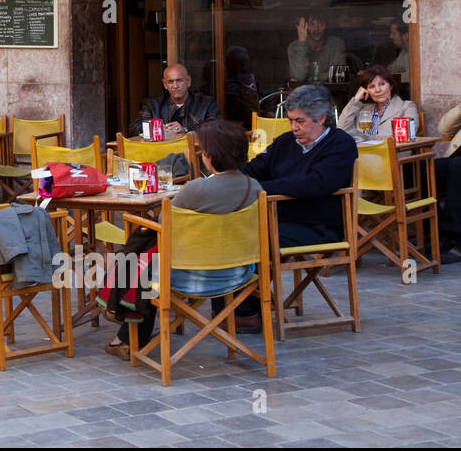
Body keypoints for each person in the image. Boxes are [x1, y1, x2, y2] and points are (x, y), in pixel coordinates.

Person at [106, 120, 265, 358]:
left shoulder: (196, 189)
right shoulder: (255, 188)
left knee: (143, 255)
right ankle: (125, 336)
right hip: (239, 273)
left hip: (190, 277)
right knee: (148, 256)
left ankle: (129, 337)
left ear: (209, 156)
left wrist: (148, 218)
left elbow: (163, 224)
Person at [242, 85, 357, 247]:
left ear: (322, 118)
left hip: (319, 225)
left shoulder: (341, 144)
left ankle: (260, 273)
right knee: (229, 228)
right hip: (276, 217)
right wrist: (231, 181)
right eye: (291, 120)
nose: (294, 127)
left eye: (300, 121)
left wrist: (258, 187)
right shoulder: (285, 141)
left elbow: (314, 184)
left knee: (251, 239)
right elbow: (254, 169)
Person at [126, 63, 222, 138]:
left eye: (179, 80)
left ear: (188, 81)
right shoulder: (152, 105)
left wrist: (185, 131)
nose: (175, 86)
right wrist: (157, 129)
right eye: (170, 82)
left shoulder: (206, 103)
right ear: (165, 84)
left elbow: (216, 130)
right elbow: (134, 129)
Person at [335, 65, 418, 140]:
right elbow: (341, 131)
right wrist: (356, 100)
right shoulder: (362, 109)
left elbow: (406, 134)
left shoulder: (406, 107)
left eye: (382, 84)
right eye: (372, 86)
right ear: (367, 90)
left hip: (390, 155)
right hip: (363, 155)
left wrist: (367, 138)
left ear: (391, 86)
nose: (377, 90)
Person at [434, 103, 461, 264]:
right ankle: (432, 232)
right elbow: (443, 130)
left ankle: (455, 239)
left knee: (457, 167)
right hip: (454, 161)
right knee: (417, 169)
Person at [287, 12, 346, 84]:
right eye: (312, 24)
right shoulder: (293, 47)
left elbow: (339, 75)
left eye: (320, 24)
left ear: (326, 26)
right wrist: (302, 42)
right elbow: (298, 77)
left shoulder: (336, 43)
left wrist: (310, 79)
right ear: (305, 26)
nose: (316, 28)